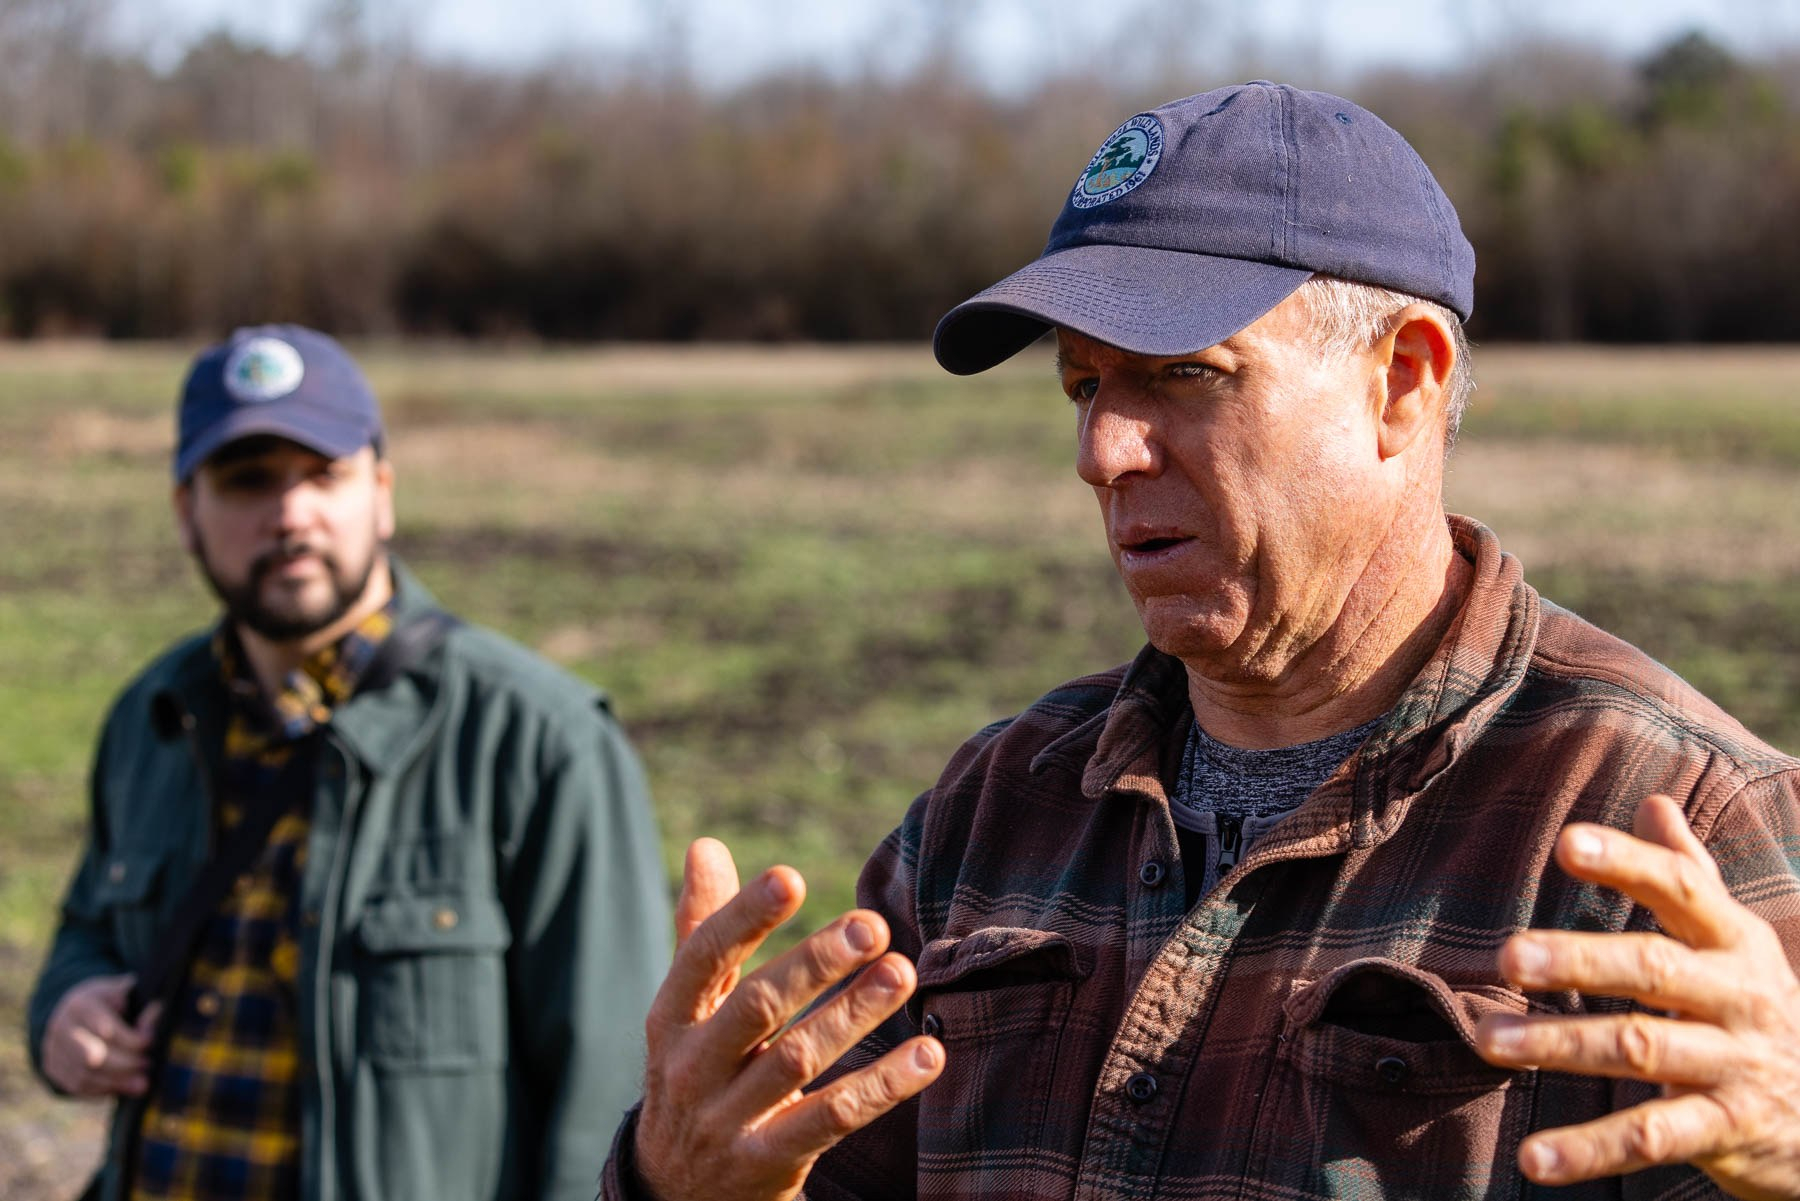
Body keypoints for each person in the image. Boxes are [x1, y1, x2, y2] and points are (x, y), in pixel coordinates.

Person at [602, 83, 1800, 1201]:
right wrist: (672, 1175)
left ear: (1403, 386)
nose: (1104, 452)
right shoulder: (992, 812)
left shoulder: (1674, 825)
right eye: (1082, 388)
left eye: (1185, 374)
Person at [28, 324, 672, 1201]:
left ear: (382, 492)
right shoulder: (154, 716)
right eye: (248, 478)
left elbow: (608, 1097)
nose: (290, 512)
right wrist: (62, 1010)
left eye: (322, 474)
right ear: (186, 510)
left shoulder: (542, 739)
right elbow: (85, 932)